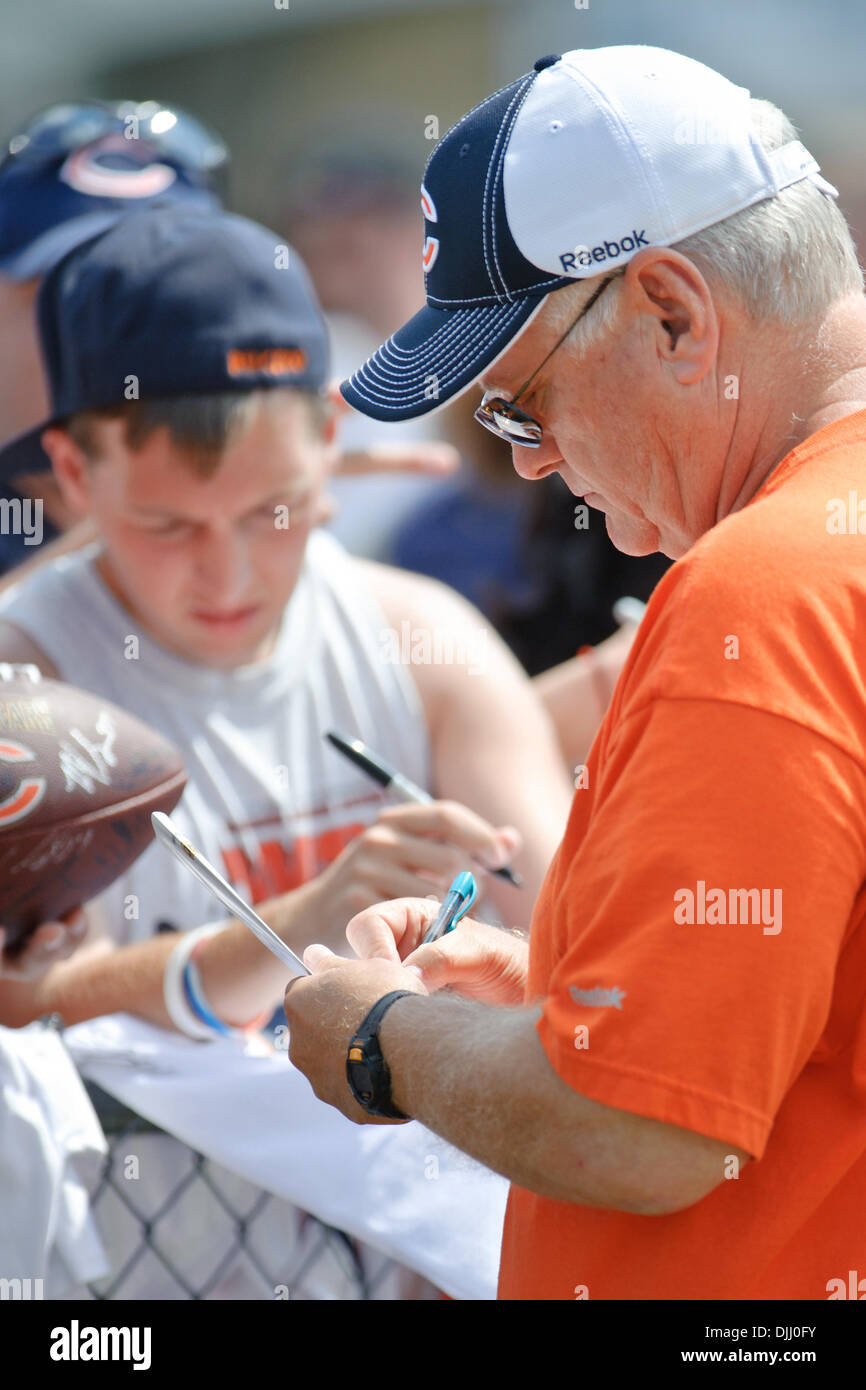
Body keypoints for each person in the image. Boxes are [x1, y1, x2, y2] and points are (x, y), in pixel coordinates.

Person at [282, 45, 866, 1301]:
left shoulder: (766, 589)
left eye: (519, 401)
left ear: (670, 310)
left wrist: (382, 1039)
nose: (531, 463)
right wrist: (551, 1006)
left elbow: (646, 1131)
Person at [0, 203, 570, 1037]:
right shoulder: (26, 686)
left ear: (331, 443)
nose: (225, 576)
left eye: (273, 511)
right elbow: (22, 1001)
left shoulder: (426, 640)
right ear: (73, 474)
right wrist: (303, 923)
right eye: (169, 526)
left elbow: (566, 943)